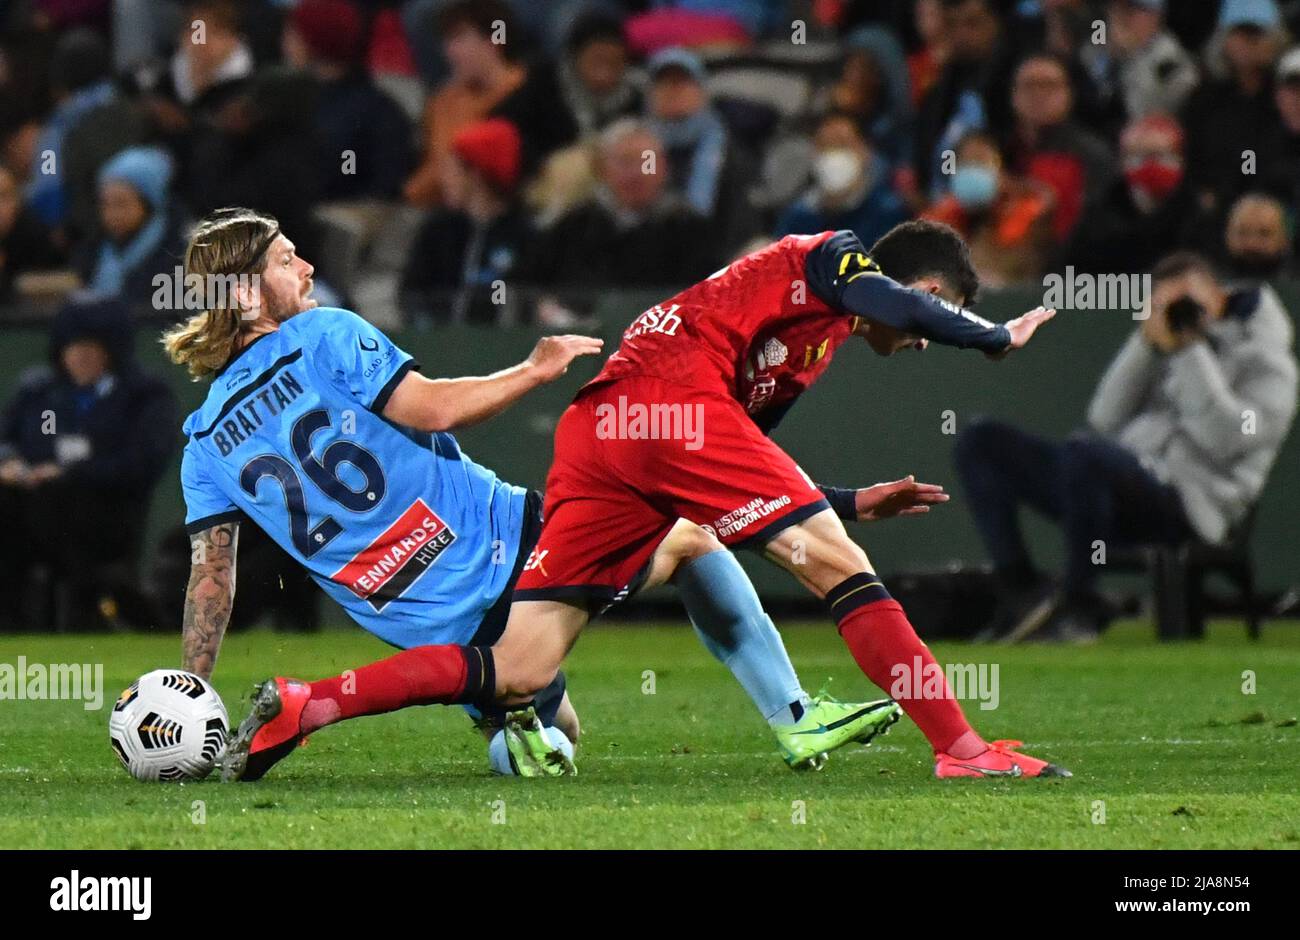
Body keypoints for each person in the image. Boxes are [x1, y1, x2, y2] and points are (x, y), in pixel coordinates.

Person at [166, 208, 902, 780]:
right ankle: (794, 712)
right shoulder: (323, 333)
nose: (308, 265)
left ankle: (520, 734)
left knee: (558, 733)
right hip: (498, 542)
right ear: (242, 290)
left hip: (418, 618)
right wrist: (533, 369)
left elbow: (211, 577)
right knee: (691, 539)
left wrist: (193, 693)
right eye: (287, 259)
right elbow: (435, 409)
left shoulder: (203, 441)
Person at [491, 219, 1070, 779]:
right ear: (931, 292)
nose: (922, 343)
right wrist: (996, 335)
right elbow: (899, 308)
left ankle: (469, 672)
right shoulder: (830, 253)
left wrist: (849, 502)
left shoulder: (813, 340)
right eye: (944, 315)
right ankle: (961, 749)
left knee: (530, 655)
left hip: (624, 427)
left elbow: (733, 470)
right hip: (666, 406)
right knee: (839, 566)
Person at [955, 253, 1298, 643]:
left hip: (1190, 509)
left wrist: (1188, 349)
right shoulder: (1163, 343)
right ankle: (1021, 591)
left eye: (1185, 301)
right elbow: (1105, 418)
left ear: (1217, 295)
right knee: (981, 441)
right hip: (1112, 487)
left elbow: (1227, 441)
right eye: (1163, 304)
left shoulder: (1270, 364)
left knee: (1087, 456)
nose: (1175, 313)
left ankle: (1080, 606)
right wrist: (1147, 344)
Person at [0, 295, 177, 631]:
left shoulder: (143, 395)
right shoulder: (38, 392)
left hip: (103, 516)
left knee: (58, 500)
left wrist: (72, 473)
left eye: (91, 347)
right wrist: (9, 462)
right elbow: (6, 438)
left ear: (113, 351)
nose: (80, 356)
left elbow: (143, 461)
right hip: (28, 507)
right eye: (72, 347)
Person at [921, 130, 1054, 286]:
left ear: (1002, 171)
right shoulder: (938, 217)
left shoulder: (1027, 212)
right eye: (965, 163)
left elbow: (1017, 264)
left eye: (981, 162)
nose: (973, 170)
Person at [775, 111, 908, 250]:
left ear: (865, 151)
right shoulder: (798, 217)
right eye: (825, 145)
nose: (834, 154)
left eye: (842, 144)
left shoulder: (889, 214)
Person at [76, 146, 185, 307]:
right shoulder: (93, 252)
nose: (111, 214)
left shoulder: (178, 259)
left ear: (148, 205)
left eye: (122, 204)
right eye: (105, 204)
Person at [1223, 191, 1294, 282]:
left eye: (1264, 234)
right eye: (1242, 233)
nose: (1252, 244)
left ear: (1284, 239)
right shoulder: (1205, 284)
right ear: (1227, 235)